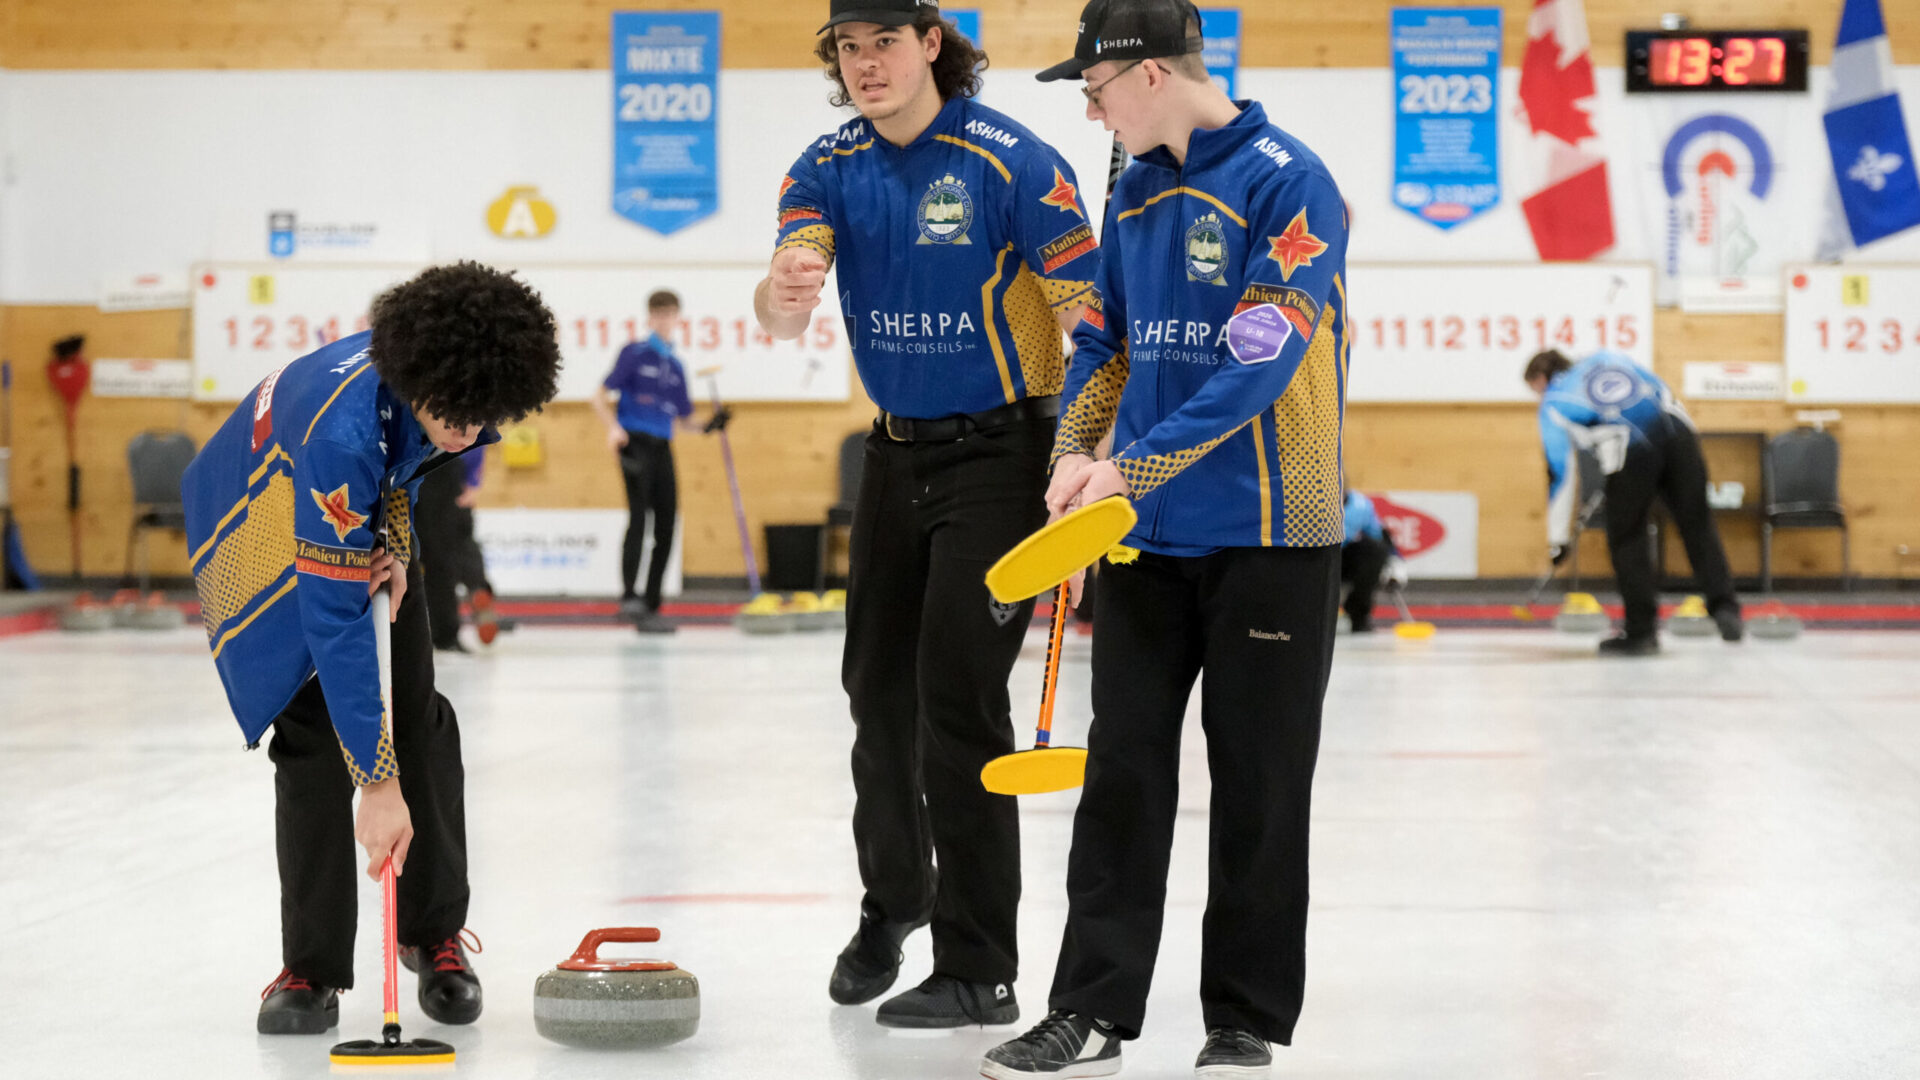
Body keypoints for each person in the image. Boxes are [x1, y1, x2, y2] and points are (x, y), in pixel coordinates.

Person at [983, 1, 1351, 1076]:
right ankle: (1091, 1009)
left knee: (1261, 785)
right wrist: (1070, 455)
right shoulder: (1134, 182)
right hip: (1145, 541)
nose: (1090, 116)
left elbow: (1260, 363)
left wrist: (1126, 472)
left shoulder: (1292, 182)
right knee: (1123, 779)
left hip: (1276, 537)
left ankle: (1243, 1020)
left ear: (1145, 75)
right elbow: (1103, 338)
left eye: (1093, 93)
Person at [754, 0, 1099, 1029]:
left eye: (885, 44)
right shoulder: (823, 164)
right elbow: (777, 311)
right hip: (893, 453)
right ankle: (894, 900)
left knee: (957, 698)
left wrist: (1087, 454)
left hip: (1002, 454)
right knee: (875, 692)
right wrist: (783, 287)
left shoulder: (1014, 161)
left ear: (932, 45)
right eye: (849, 49)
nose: (866, 65)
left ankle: (980, 965)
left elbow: (1091, 322)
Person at [180, 262, 561, 1034]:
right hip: (262, 517)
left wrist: (387, 539)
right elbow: (333, 623)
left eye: (478, 417)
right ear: (416, 375)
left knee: (418, 718)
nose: (463, 432)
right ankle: (311, 969)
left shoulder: (450, 387)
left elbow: (409, 458)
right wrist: (376, 786)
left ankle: (433, 934)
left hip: (346, 506)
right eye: (450, 414)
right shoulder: (343, 433)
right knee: (315, 736)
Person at [1527, 348, 1744, 655]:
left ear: (1540, 379)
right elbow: (1657, 390)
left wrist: (1558, 539)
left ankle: (1641, 632)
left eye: (1534, 390)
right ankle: (1726, 609)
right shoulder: (1607, 358)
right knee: (1697, 523)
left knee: (1628, 538)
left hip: (1630, 450)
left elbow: (1561, 474)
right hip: (1680, 433)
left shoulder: (1553, 403)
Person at [592, 289, 695, 635]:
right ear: (651, 318)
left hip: (663, 445)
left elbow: (685, 420)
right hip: (634, 443)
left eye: (671, 315)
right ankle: (629, 596)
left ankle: (653, 602)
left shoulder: (676, 365)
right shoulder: (634, 353)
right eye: (660, 315)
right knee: (639, 518)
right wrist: (614, 428)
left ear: (677, 319)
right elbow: (598, 396)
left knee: (667, 523)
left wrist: (711, 426)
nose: (666, 321)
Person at [414, 447, 500, 652]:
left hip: (422, 472)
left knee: (434, 563)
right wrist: (472, 483)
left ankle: (443, 634)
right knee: (462, 544)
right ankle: (477, 585)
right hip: (455, 473)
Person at [1340, 488, 1403, 633]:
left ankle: (1358, 611)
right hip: (1314, 556)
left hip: (1344, 559)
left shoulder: (1361, 505)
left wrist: (1396, 561)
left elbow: (1379, 535)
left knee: (1376, 550)